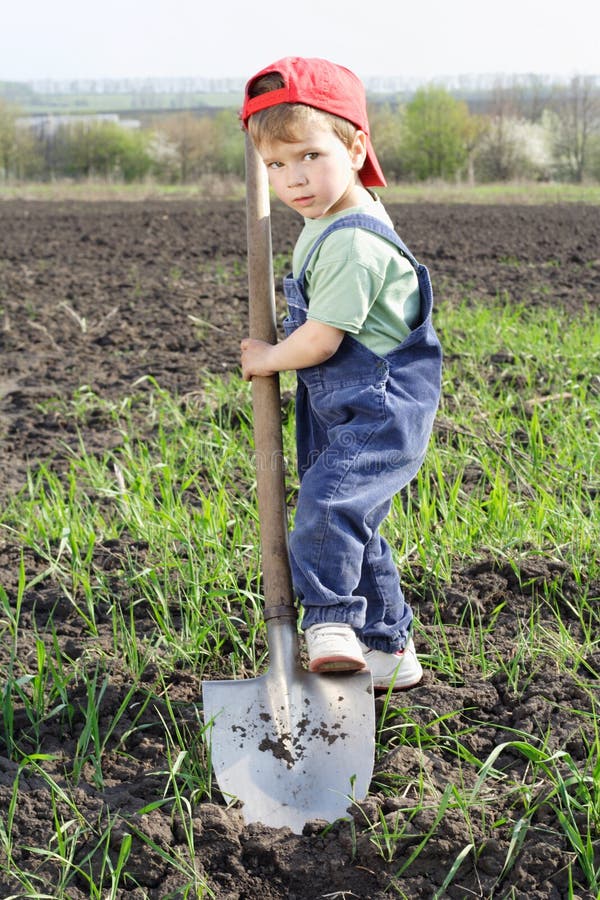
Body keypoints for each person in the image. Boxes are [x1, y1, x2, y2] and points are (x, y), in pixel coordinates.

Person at [240, 56, 442, 690]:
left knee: (328, 507)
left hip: (380, 406)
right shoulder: (325, 219)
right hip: (345, 405)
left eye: (309, 155)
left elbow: (322, 340)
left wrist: (267, 357)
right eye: (275, 164)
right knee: (358, 523)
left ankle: (331, 620)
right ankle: (389, 650)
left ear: (356, 148)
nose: (293, 178)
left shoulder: (353, 241)